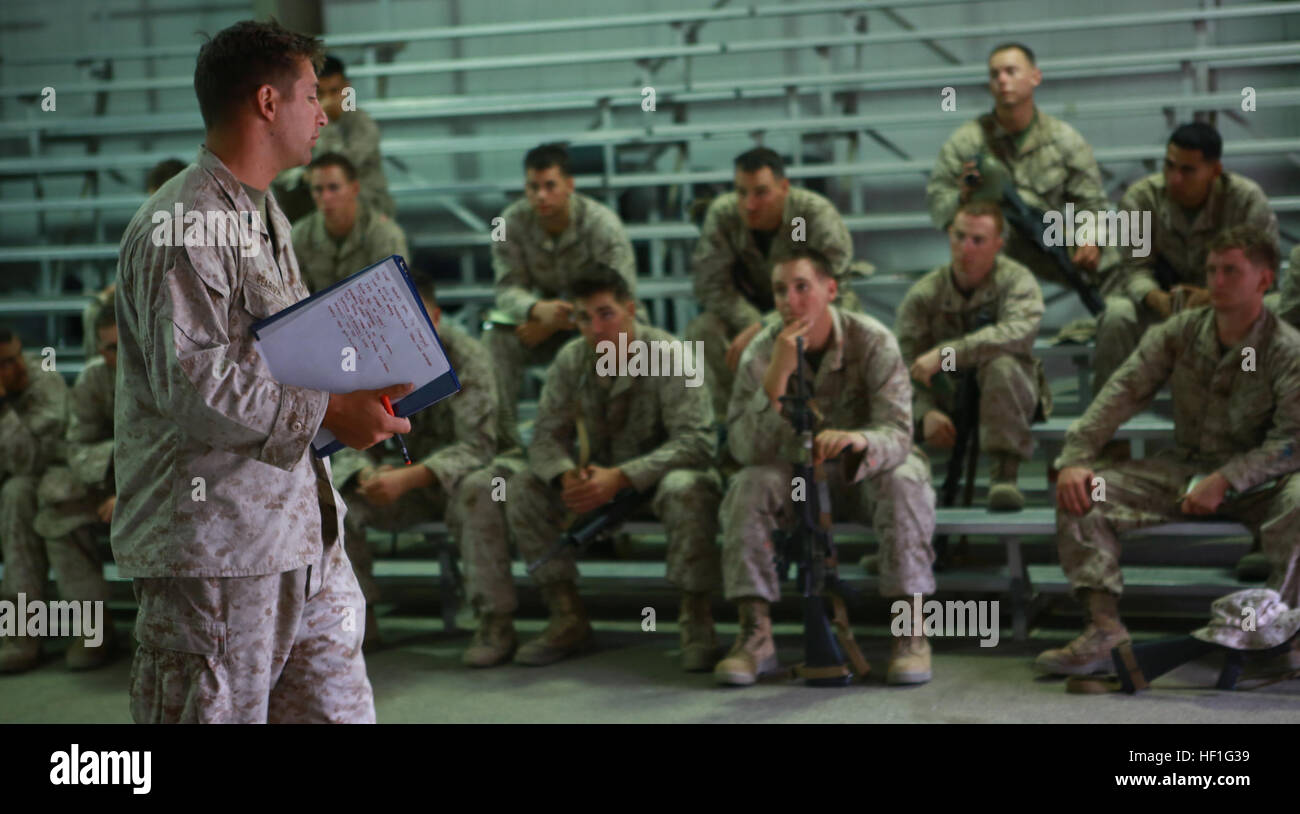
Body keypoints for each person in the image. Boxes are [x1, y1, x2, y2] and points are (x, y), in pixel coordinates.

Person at [112, 19, 411, 723]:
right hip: (216, 553)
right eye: (313, 94)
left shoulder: (262, 211)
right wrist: (332, 411)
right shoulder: (185, 223)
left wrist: (358, 392)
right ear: (269, 102)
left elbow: (285, 356)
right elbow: (196, 383)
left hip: (299, 535)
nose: (325, 112)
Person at [1039, 225, 1300, 676]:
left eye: (1231, 271)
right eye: (1212, 270)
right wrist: (1076, 458)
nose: (1216, 281)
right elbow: (1121, 392)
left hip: (1262, 481)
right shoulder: (1179, 333)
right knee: (1087, 491)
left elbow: (1292, 442)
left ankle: (1277, 633)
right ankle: (1104, 630)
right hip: (1186, 470)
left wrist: (1227, 480)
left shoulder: (1285, 348)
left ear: (1264, 280)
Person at [471, 264, 721, 670]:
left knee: (687, 487)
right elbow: (546, 437)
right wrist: (565, 474)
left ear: (631, 309)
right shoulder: (572, 360)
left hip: (656, 482)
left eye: (606, 314)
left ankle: (697, 618)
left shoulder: (670, 355)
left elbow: (697, 442)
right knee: (521, 486)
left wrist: (622, 477)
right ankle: (567, 615)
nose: (595, 328)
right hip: (594, 482)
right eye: (584, 318)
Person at [715, 247, 938, 687]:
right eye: (780, 290)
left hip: (861, 475)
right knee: (748, 484)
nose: (790, 301)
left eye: (803, 287)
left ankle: (910, 629)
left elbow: (898, 431)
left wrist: (859, 440)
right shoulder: (762, 352)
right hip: (796, 481)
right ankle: (754, 635)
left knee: (906, 477)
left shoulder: (872, 339)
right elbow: (742, 447)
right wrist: (777, 377)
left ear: (830, 290)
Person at [329, 275, 499, 650]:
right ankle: (360, 619)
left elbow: (480, 446)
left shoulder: (469, 357)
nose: (402, 332)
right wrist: (367, 472)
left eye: (413, 320)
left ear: (436, 317)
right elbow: (347, 430)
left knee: (479, 491)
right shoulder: (376, 357)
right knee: (341, 501)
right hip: (408, 479)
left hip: (464, 475)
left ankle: (494, 621)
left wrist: (411, 478)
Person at [1093, 122, 1279, 392]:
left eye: (1187, 170)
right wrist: (1157, 298)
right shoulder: (1142, 199)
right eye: (1169, 166)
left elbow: (1262, 275)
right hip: (1163, 308)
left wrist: (1211, 297)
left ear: (1215, 171)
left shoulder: (1246, 201)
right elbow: (1135, 269)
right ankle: (1109, 428)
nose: (1174, 178)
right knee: (1117, 314)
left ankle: (1261, 417)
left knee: (1274, 307)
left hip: (1230, 309)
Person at [926, 42, 1117, 298]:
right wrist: (963, 196)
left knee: (1121, 263)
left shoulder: (1063, 139)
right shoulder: (968, 141)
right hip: (994, 251)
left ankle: (1119, 322)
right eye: (995, 74)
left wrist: (1089, 238)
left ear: (1035, 77)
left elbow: (1091, 202)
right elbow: (938, 205)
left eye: (1011, 71)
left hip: (1050, 239)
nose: (1002, 80)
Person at [896, 200, 1050, 511]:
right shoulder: (925, 294)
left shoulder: (1016, 281)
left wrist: (947, 353)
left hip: (1009, 390)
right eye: (959, 236)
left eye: (978, 240)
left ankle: (1004, 478)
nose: (966, 248)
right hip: (948, 394)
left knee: (1001, 363)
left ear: (998, 245)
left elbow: (1017, 333)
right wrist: (924, 411)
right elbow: (904, 362)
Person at [485, 143, 637, 450]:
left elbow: (620, 293)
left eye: (550, 186)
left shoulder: (601, 224)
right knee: (497, 339)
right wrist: (535, 309)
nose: (541, 195)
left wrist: (557, 320)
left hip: (596, 323)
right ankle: (504, 445)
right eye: (533, 187)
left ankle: (613, 444)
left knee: (621, 335)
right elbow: (506, 288)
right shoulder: (509, 223)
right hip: (542, 325)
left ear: (569, 185)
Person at [686, 147, 855, 420]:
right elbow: (710, 285)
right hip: (748, 309)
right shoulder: (725, 215)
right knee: (703, 331)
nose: (749, 205)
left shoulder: (809, 215)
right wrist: (753, 322)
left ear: (784, 187)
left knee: (847, 323)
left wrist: (766, 326)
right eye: (741, 192)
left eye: (761, 192)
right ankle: (730, 426)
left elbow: (835, 285)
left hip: (812, 307)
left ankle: (831, 420)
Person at [27, 300, 120, 672]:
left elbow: (181, 450)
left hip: (168, 487)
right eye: (109, 348)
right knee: (56, 512)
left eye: (124, 344)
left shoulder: (168, 373)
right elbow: (76, 448)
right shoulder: (94, 378)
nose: (118, 355)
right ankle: (93, 628)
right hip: (110, 479)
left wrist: (130, 493)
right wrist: (116, 469)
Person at [0, 327, 70, 673]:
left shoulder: (44, 380)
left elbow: (27, 462)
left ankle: (22, 633)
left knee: (17, 495)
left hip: (45, 480)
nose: (17, 368)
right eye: (4, 363)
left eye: (16, 356)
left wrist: (2, 410)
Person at [291, 152, 409, 292]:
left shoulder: (384, 235)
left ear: (354, 189)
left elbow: (397, 294)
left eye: (333, 187)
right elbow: (295, 296)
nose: (325, 197)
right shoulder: (300, 236)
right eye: (318, 189)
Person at [314, 55, 395, 218]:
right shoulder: (301, 125)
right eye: (320, 94)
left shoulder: (363, 123)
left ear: (347, 88)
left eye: (334, 91)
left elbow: (338, 166)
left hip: (368, 209)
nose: (328, 100)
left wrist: (325, 122)